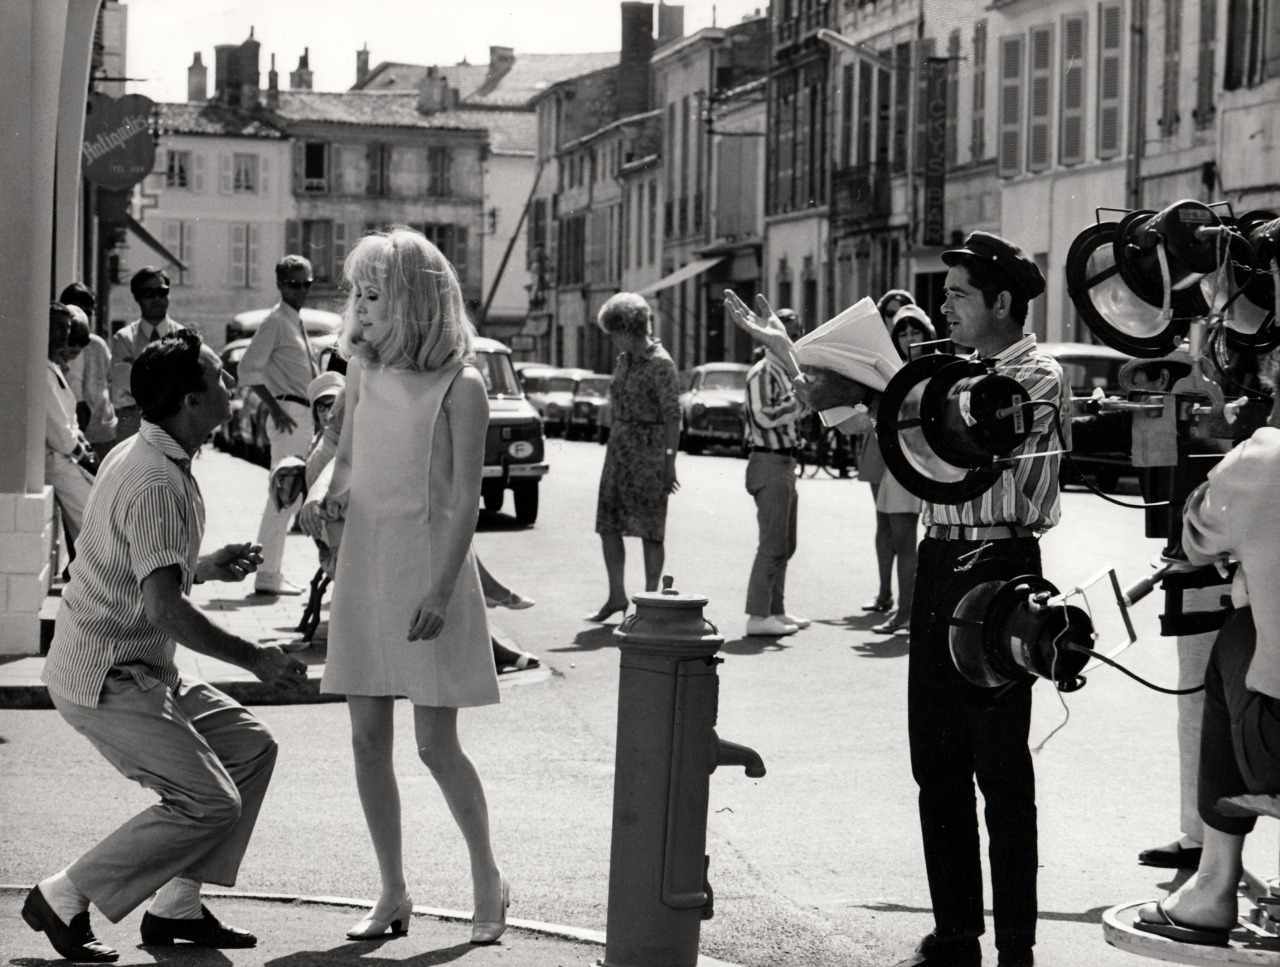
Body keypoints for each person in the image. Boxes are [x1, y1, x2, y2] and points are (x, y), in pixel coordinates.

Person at [24, 329, 308, 964]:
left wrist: (203, 564)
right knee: (209, 799)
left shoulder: (150, 453)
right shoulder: (156, 477)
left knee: (251, 750)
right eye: (219, 378)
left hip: (138, 665)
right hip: (107, 676)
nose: (231, 385)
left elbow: (137, 565)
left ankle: (175, 905)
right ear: (189, 401)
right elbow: (162, 607)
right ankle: (64, 896)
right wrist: (257, 659)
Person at [299, 226, 508, 944]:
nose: (358, 307)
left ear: (415, 301)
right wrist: (322, 489)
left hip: (429, 570)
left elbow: (467, 502)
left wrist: (443, 590)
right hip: (365, 559)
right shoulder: (360, 371)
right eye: (356, 292)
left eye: (373, 293)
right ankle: (391, 890)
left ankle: (488, 878)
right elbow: (348, 456)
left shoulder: (464, 383)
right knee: (365, 738)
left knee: (434, 744)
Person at [1133, 346, 1280, 946]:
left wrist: (1243, 445)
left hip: (1273, 745)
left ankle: (1214, 886)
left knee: (1239, 640)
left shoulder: (1264, 460)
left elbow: (1194, 534)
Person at [585, 292, 681, 623]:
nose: (613, 341)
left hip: (650, 452)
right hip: (620, 449)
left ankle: (649, 601)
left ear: (627, 329)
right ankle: (616, 596)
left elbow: (673, 416)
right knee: (608, 524)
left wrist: (670, 463)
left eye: (614, 333)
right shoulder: (624, 360)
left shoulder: (660, 363)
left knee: (651, 529)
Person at [240, 255, 319, 596]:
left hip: (302, 415)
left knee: (287, 498)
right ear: (281, 285)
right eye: (294, 284)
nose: (301, 290)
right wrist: (276, 408)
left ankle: (270, 571)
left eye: (306, 284)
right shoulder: (275, 321)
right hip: (289, 415)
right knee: (283, 498)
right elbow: (247, 370)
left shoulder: (293, 321)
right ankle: (267, 574)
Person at [866, 304, 936, 637]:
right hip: (899, 460)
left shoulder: (929, 368)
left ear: (927, 333)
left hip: (915, 462)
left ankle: (905, 614)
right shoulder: (898, 369)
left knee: (906, 541)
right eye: (903, 332)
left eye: (915, 330)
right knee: (895, 534)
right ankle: (901, 608)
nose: (909, 337)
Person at [742, 306, 809, 637]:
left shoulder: (782, 373)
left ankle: (775, 610)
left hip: (785, 460)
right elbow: (763, 416)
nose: (794, 341)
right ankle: (757, 614)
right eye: (790, 335)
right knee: (771, 544)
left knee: (785, 544)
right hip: (769, 460)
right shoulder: (762, 373)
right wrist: (798, 403)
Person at [110, 268, 185, 443]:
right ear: (137, 297)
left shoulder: (183, 337)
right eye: (149, 293)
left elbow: (186, 383)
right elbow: (123, 382)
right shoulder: (123, 338)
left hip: (173, 425)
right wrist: (167, 374)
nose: (157, 298)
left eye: (162, 291)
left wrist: (138, 367)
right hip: (132, 425)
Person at [45, 304, 96, 553]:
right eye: (56, 327)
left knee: (97, 513)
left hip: (69, 458)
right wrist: (83, 453)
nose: (63, 334)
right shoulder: (42, 372)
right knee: (93, 521)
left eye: (66, 327)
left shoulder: (54, 368)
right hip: (58, 461)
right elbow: (60, 434)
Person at [60, 282, 118, 459]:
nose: (83, 317)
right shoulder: (58, 346)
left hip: (100, 431)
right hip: (69, 434)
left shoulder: (97, 345)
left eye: (88, 312)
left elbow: (111, 378)